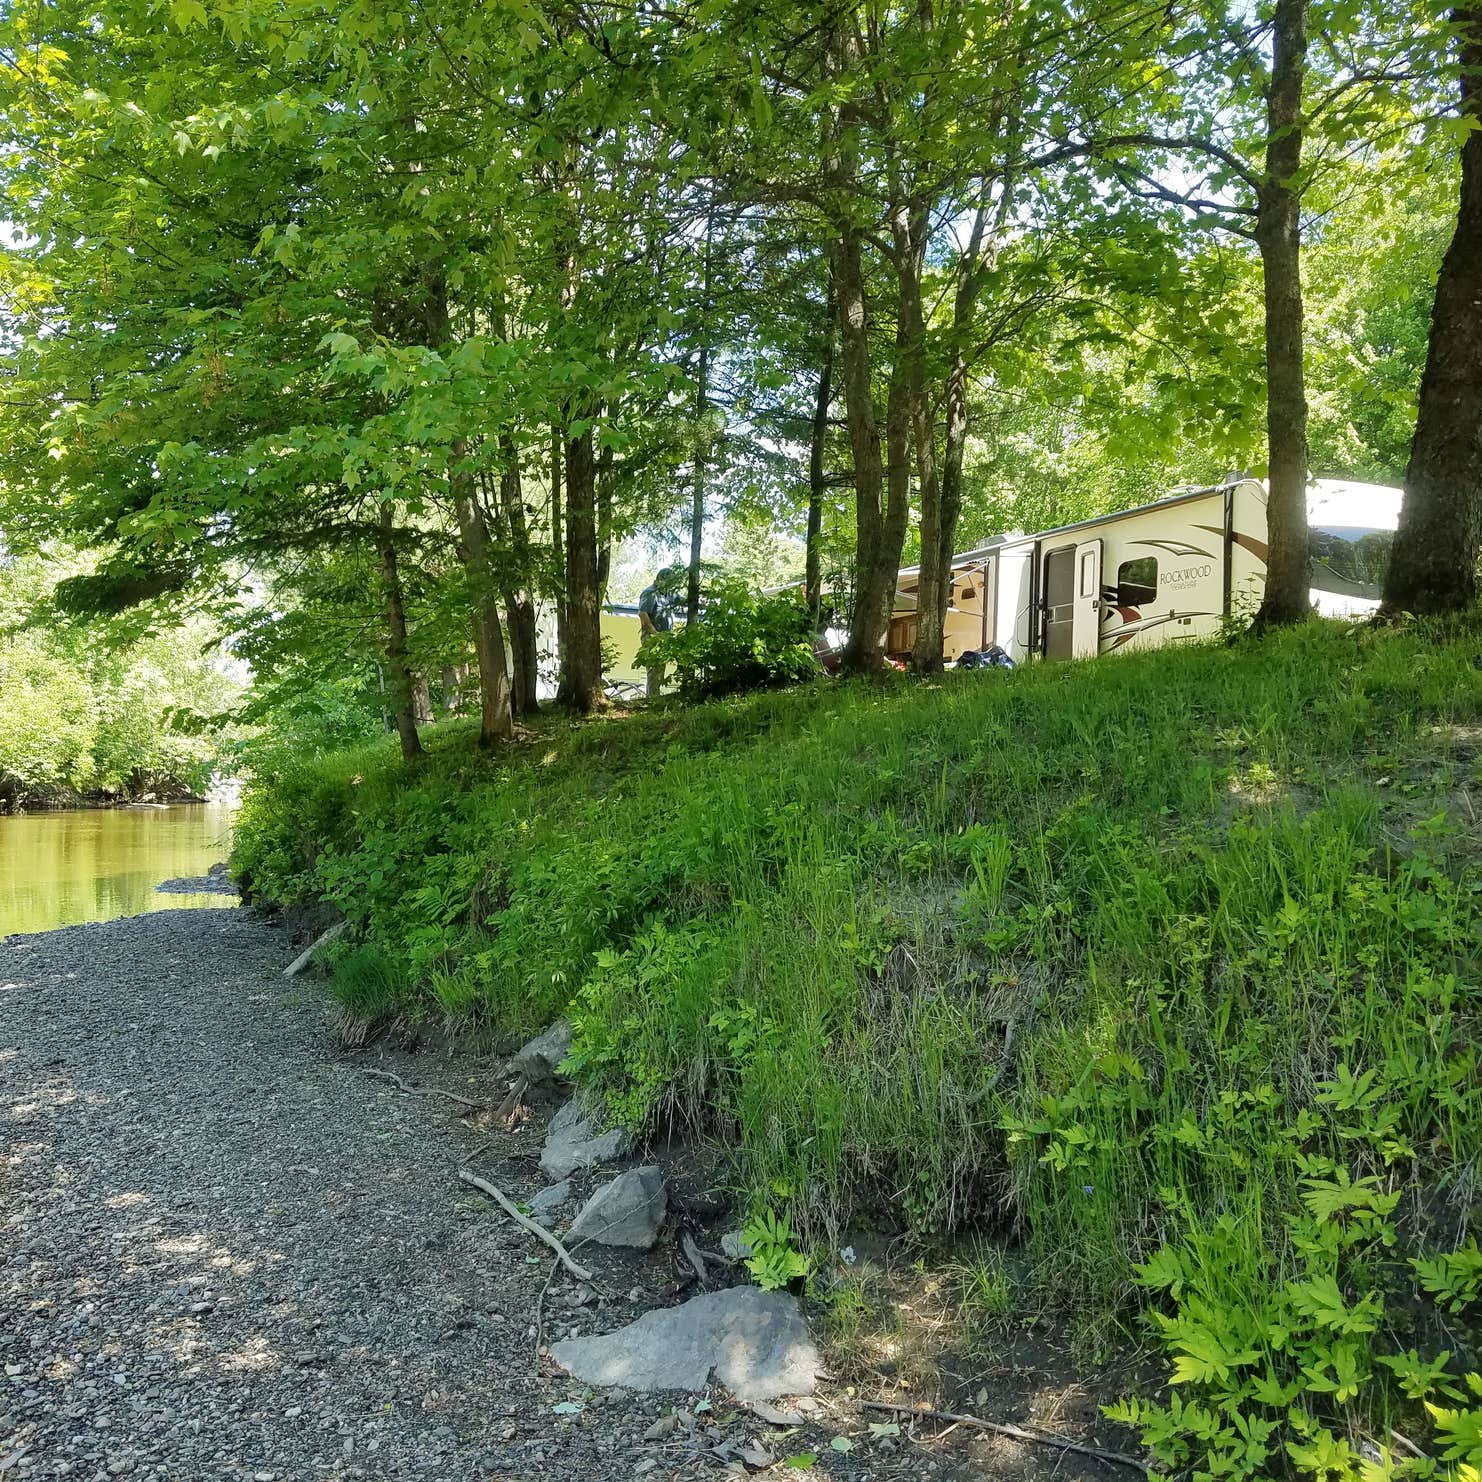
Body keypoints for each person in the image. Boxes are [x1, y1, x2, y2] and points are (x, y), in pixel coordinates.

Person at [637, 565, 680, 697]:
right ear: (660, 579)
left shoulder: (669, 593)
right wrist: (655, 635)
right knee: (654, 669)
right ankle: (652, 700)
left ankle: (656, 698)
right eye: (670, 581)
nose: (672, 585)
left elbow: (684, 600)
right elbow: (643, 614)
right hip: (652, 637)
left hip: (665, 637)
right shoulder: (650, 592)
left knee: (661, 668)